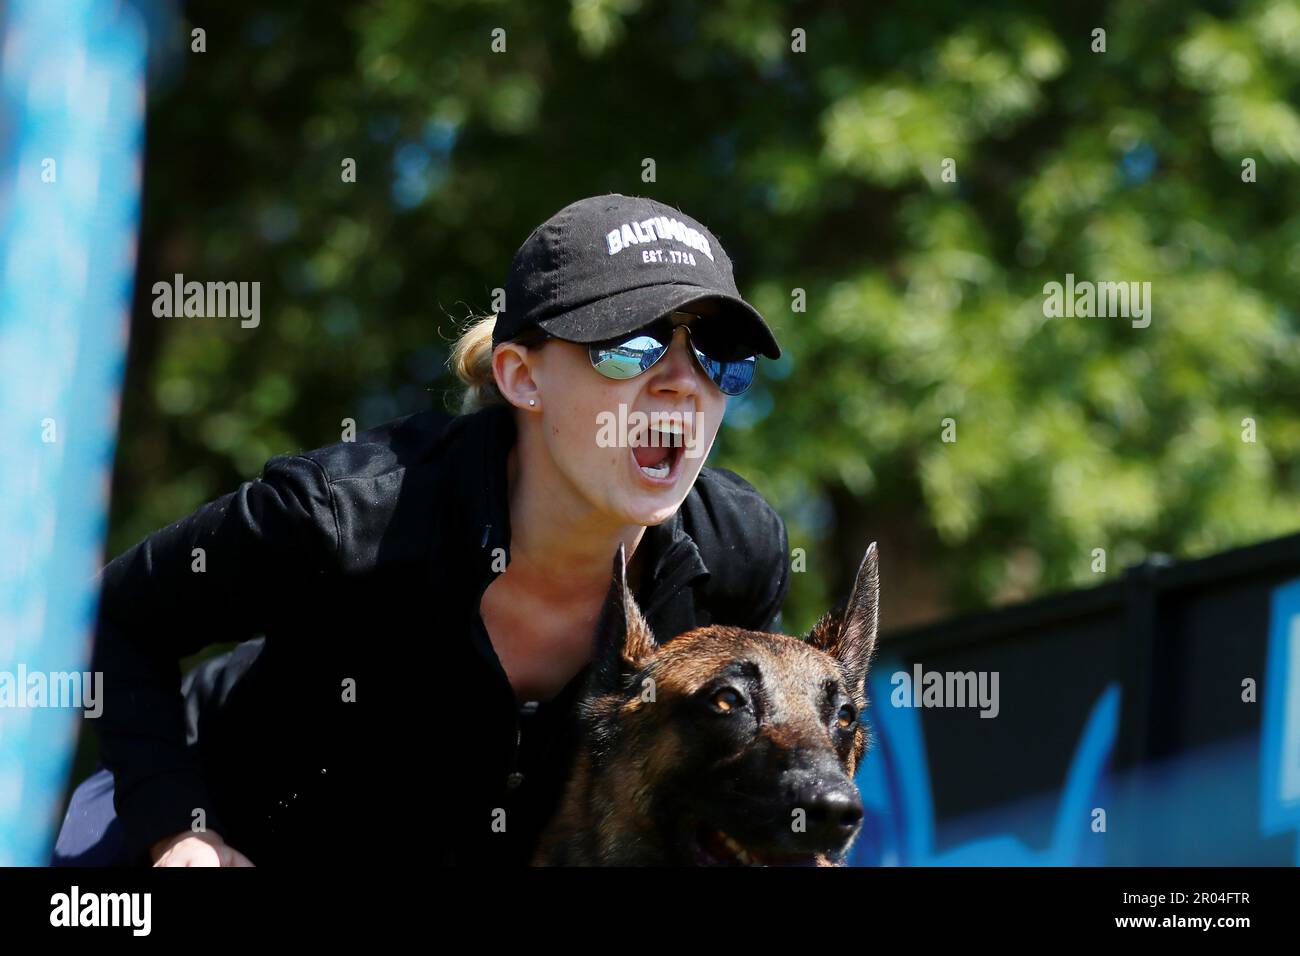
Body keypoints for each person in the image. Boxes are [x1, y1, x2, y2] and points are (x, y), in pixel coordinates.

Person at [52, 192, 791, 867]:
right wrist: (180, 831)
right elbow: (113, 615)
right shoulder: (342, 516)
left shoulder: (738, 556)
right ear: (520, 377)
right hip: (213, 813)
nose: (682, 380)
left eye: (718, 355)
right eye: (631, 343)